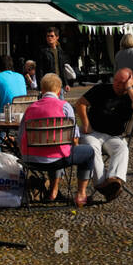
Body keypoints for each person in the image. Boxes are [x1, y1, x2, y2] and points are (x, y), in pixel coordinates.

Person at [19, 73, 96, 206]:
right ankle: (81, 194)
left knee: (54, 148)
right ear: (59, 90)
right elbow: (75, 138)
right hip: (58, 159)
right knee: (88, 152)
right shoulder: (65, 107)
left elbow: (20, 137)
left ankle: (53, 191)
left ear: (42, 90)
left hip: (31, 160)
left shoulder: (30, 109)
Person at [75, 67, 133, 200]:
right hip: (94, 133)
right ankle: (104, 184)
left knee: (122, 148)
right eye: (115, 80)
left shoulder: (130, 96)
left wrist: (130, 89)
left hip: (114, 136)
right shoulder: (101, 89)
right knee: (91, 147)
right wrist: (85, 123)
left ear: (128, 83)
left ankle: (114, 180)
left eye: (121, 82)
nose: (116, 84)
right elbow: (80, 103)